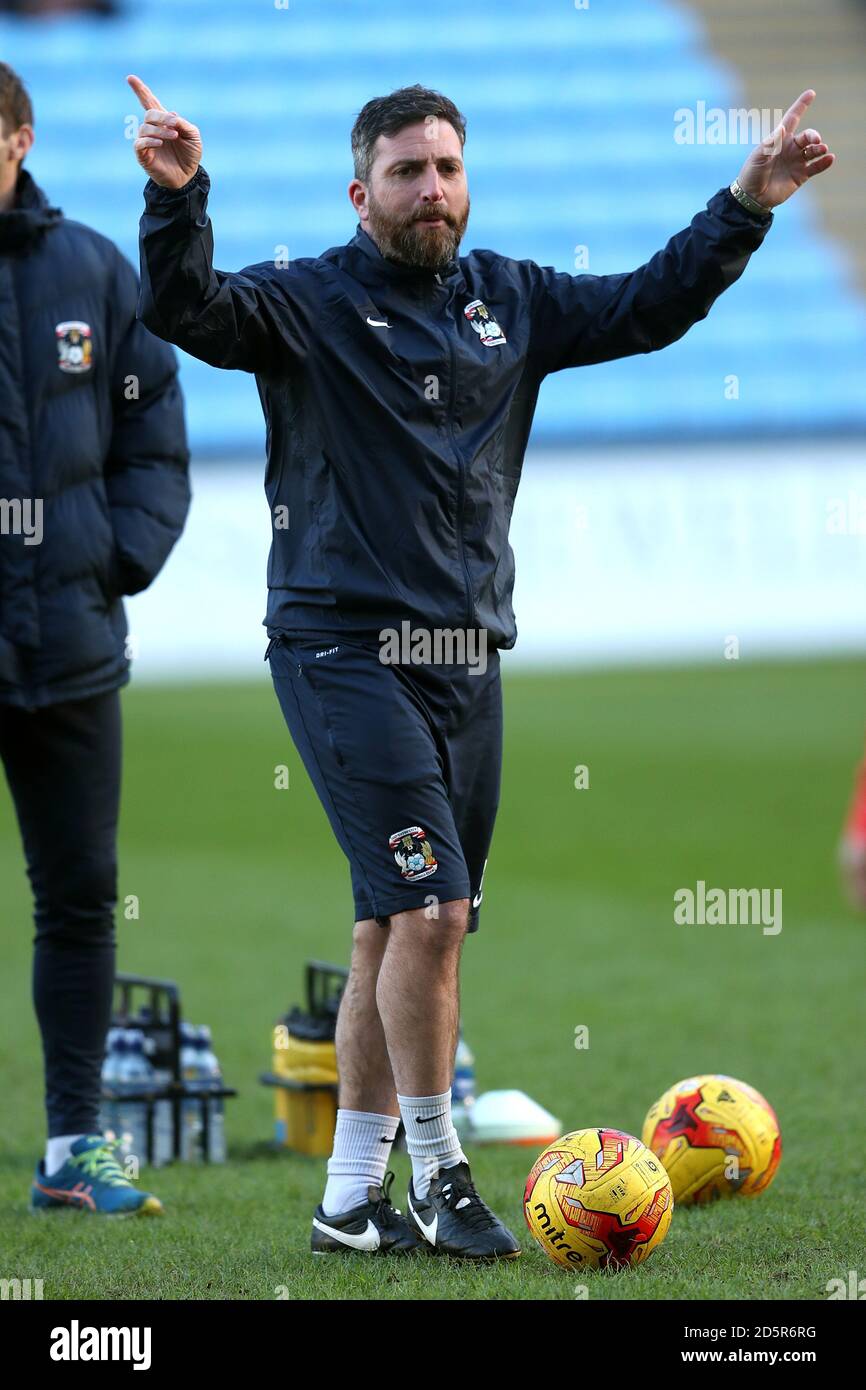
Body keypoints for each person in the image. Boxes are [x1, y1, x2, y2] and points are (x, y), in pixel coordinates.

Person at [128, 72, 833, 1258]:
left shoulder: (508, 296)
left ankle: (348, 1199)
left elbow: (644, 307)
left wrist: (745, 205)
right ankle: (444, 1174)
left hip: (467, 660)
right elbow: (187, 307)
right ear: (361, 192)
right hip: (342, 648)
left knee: (388, 928)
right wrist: (181, 197)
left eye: (446, 167)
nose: (431, 189)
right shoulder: (305, 303)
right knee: (432, 908)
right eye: (406, 171)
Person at [0, 62, 190, 1215]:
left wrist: (119, 556)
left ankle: (75, 1145)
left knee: (78, 896)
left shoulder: (90, 268)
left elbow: (153, 421)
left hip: (68, 643)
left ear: (17, 139)